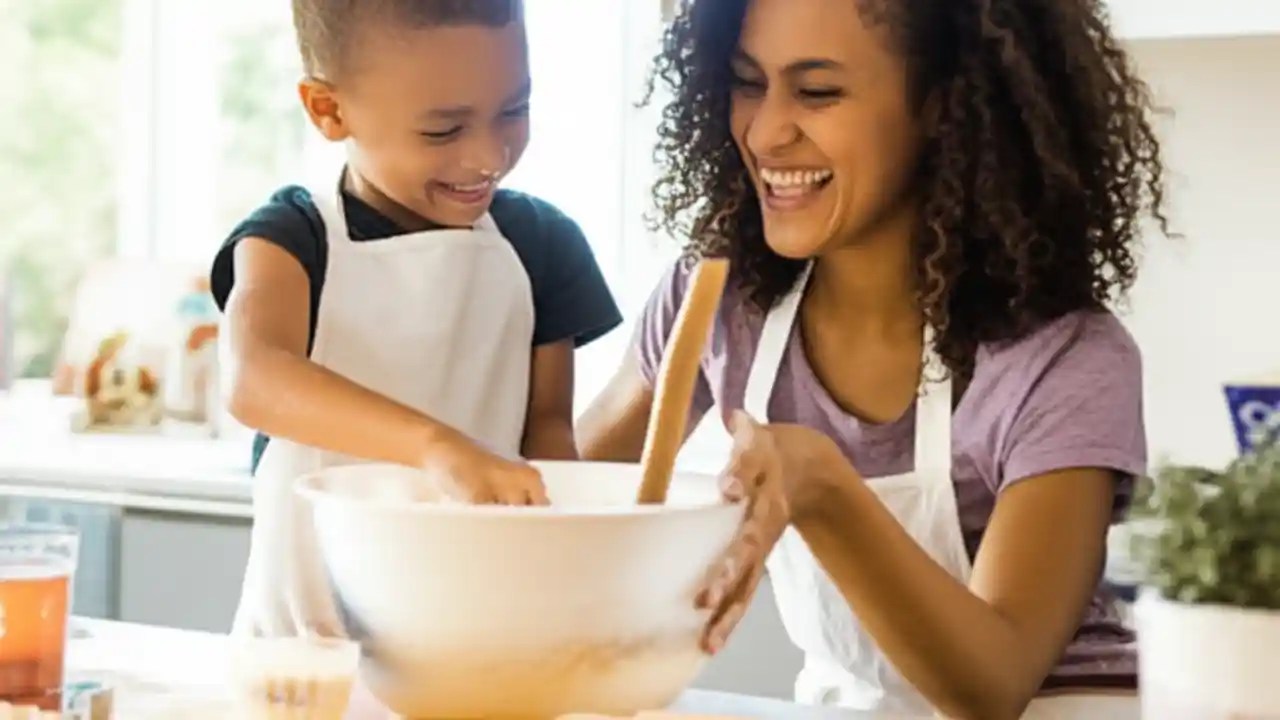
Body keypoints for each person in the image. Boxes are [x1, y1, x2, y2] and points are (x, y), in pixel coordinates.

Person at [579, 0, 1167, 717]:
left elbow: (996, 682)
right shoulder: (721, 304)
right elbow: (550, 503)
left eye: (818, 91)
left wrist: (821, 485)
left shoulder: (1063, 361)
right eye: (746, 82)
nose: (766, 130)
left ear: (943, 106)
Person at [212, 0, 621, 639]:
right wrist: (438, 448)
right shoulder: (292, 238)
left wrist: (566, 562)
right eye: (442, 130)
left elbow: (547, 431)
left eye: (514, 110)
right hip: (303, 650)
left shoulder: (542, 244)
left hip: (476, 635)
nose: (489, 154)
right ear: (329, 109)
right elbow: (255, 380)